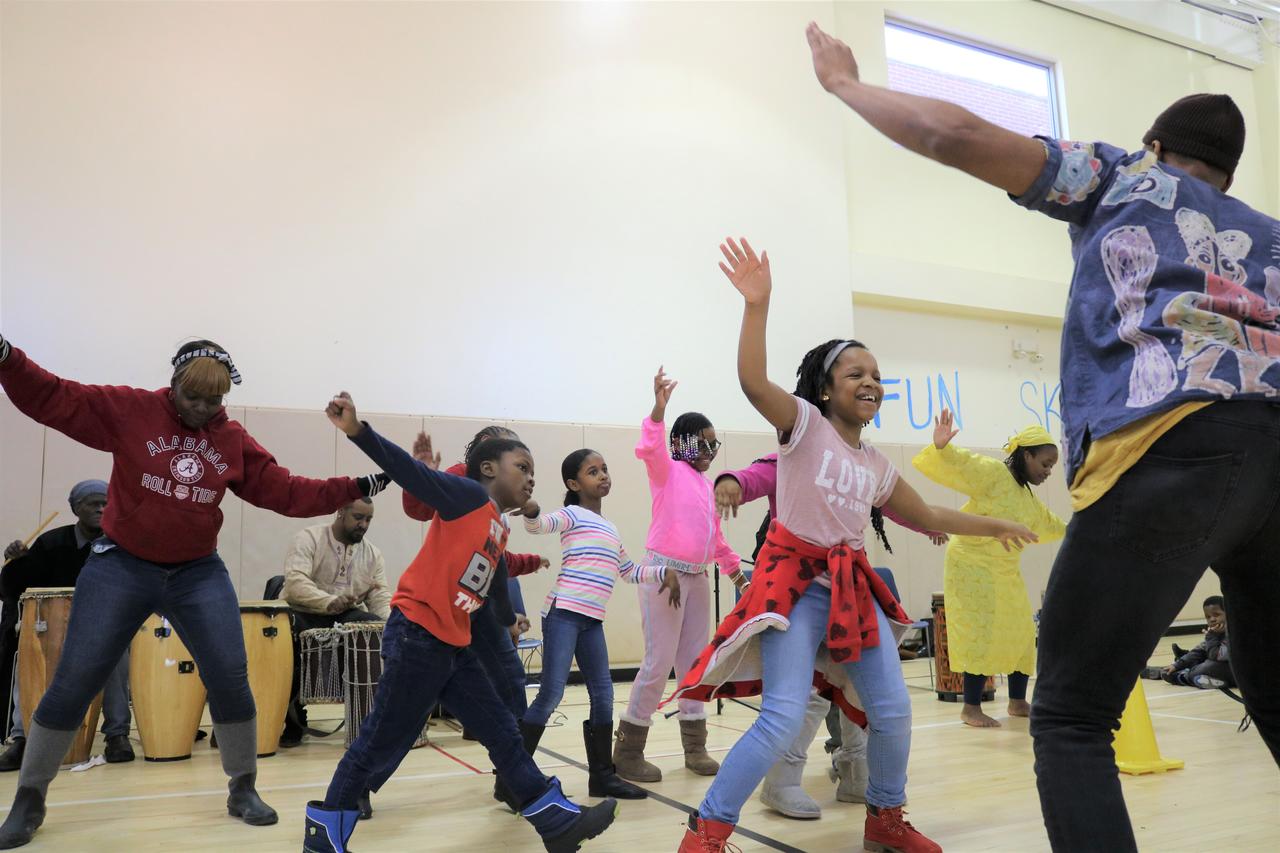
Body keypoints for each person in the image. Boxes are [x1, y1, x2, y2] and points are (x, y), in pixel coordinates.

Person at [805, 22, 1280, 850]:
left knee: (1070, 715)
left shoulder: (1123, 175)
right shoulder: (1267, 234)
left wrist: (846, 86)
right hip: (1273, 454)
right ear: (1229, 177)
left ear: (1155, 146)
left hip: (1170, 440)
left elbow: (954, 133)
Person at [672, 238, 1036, 853]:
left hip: (850, 590)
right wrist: (757, 305)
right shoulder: (804, 426)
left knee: (893, 710)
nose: (870, 382)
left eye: (876, 377)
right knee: (783, 715)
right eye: (855, 374)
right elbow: (752, 381)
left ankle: (885, 820)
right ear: (825, 389)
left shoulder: (874, 465)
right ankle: (706, 831)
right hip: (795, 588)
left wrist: (995, 525)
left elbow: (928, 514)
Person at [0, 337, 389, 849]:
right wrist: (7, 357)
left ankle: (242, 787)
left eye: (215, 400)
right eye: (193, 398)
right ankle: (29, 797)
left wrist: (358, 484)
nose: (204, 408)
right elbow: (54, 397)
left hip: (195, 572)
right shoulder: (131, 410)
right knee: (76, 679)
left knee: (229, 674)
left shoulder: (230, 438)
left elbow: (286, 490)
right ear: (174, 385)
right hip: (121, 564)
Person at [305, 393, 616, 853]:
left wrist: (509, 617)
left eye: (533, 471)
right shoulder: (467, 496)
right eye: (522, 467)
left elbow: (495, 580)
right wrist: (358, 431)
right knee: (378, 739)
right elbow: (409, 472)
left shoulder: (497, 525)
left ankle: (556, 822)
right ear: (488, 469)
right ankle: (323, 837)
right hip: (417, 635)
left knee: (502, 731)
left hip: (453, 644)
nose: (531, 478)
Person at [714, 454, 946, 819]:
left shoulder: (858, 462)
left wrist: (926, 523)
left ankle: (855, 767)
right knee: (806, 695)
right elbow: (761, 474)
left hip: (844, 589)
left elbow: (895, 501)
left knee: (856, 684)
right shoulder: (799, 454)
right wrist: (734, 481)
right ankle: (781, 780)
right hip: (794, 589)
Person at [521, 448, 682, 801]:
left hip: (592, 621)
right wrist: (531, 511)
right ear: (574, 484)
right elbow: (538, 525)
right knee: (551, 693)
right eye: (593, 471)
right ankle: (512, 777)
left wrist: (663, 572)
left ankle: (602, 778)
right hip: (563, 614)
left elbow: (629, 571)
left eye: (605, 469)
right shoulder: (572, 515)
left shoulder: (610, 527)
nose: (603, 475)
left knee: (604, 695)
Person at [400, 428, 549, 806]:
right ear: (486, 461)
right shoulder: (462, 478)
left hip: (476, 606)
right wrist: (420, 473)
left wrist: (527, 568)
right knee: (405, 708)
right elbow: (417, 508)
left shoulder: (500, 503)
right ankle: (356, 788)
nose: (525, 474)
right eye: (519, 463)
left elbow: (495, 562)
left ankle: (516, 782)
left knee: (510, 681)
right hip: (439, 609)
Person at [913, 415, 1068, 728]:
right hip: (970, 564)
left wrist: (1079, 528)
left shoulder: (1027, 498)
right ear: (1026, 455)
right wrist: (942, 449)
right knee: (979, 633)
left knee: (1021, 631)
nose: (1048, 471)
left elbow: (1049, 524)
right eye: (1045, 464)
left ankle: (1017, 701)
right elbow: (963, 464)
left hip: (1004, 570)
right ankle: (971, 708)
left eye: (1052, 466)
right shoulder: (995, 474)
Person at [0, 481, 134, 767]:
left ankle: (117, 735)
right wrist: (15, 562)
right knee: (29, 661)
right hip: (52, 630)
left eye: (107, 503)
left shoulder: (122, 544)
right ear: (76, 508)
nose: (101, 509)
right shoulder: (51, 543)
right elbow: (13, 588)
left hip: (103, 627)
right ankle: (22, 738)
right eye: (93, 503)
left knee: (116, 657)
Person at [280, 498, 390, 750]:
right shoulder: (309, 538)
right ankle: (293, 719)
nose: (364, 525)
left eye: (368, 519)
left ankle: (366, 720)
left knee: (375, 630)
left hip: (345, 616)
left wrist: (392, 626)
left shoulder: (372, 554)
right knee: (287, 642)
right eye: (358, 517)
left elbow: (380, 598)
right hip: (303, 612)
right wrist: (329, 601)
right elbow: (295, 583)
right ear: (340, 511)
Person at [1149, 596, 1233, 689]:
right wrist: (1177, 665)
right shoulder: (1217, 633)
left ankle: (1180, 677)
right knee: (1196, 658)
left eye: (1216, 615)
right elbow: (1200, 650)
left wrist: (1211, 637)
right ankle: (1181, 667)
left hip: (1236, 673)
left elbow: (1216, 655)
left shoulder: (1234, 633)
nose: (1212, 619)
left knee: (1208, 666)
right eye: (1208, 617)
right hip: (1225, 667)